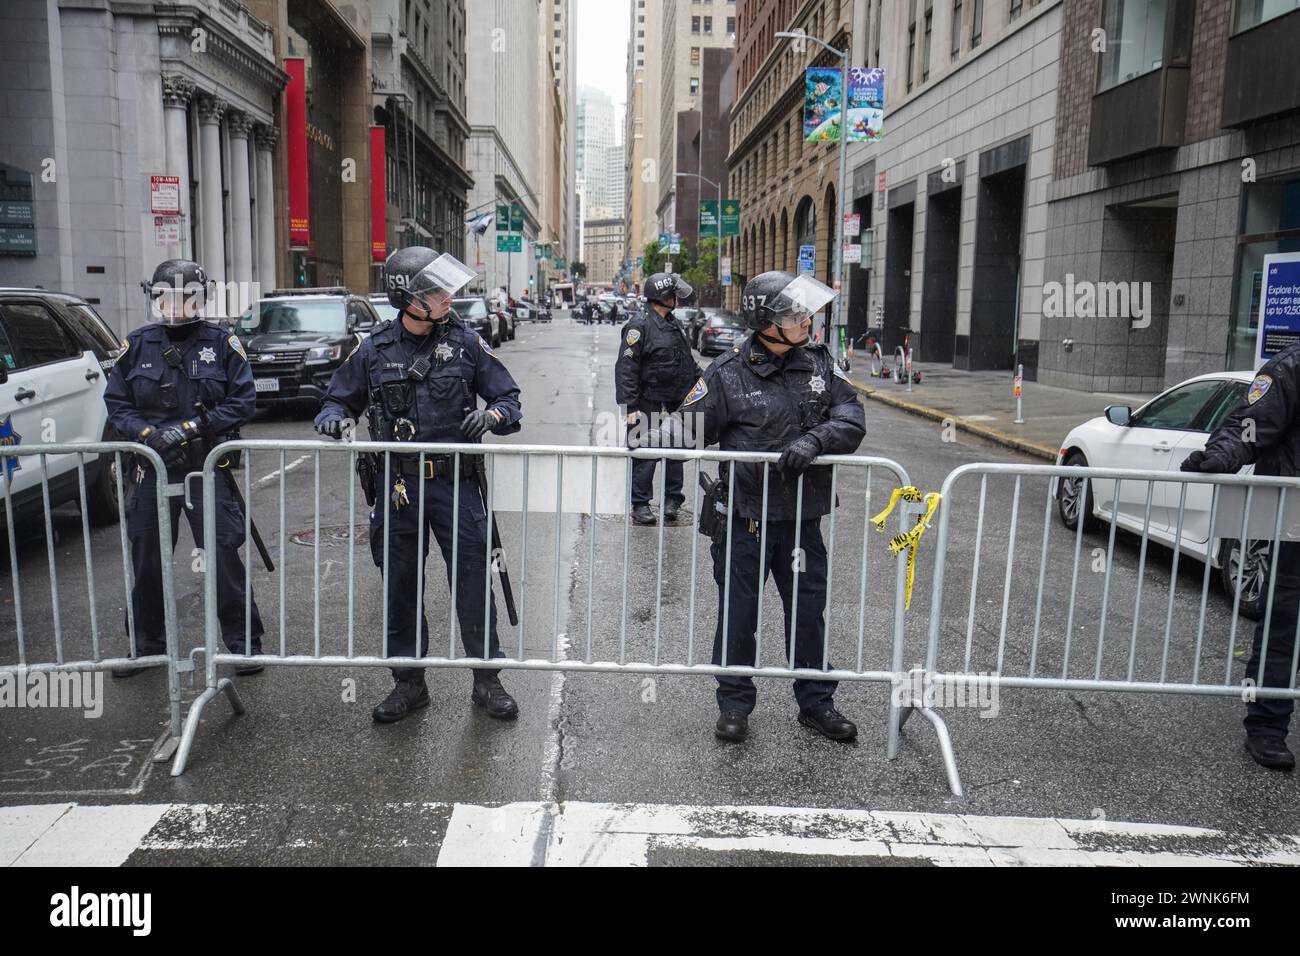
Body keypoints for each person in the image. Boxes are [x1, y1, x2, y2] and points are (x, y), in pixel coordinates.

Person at [314, 247, 523, 724]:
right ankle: (409, 684)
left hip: (456, 484)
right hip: (398, 487)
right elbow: (336, 399)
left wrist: (491, 415)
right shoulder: (372, 349)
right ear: (407, 299)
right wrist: (334, 419)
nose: (447, 297)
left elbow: (509, 399)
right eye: (434, 291)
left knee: (472, 581)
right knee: (401, 586)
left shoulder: (467, 343)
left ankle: (487, 680)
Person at [671, 270, 865, 743]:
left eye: (804, 311)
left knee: (807, 612)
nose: (805, 320)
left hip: (802, 520)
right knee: (739, 614)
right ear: (765, 320)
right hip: (744, 519)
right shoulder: (726, 373)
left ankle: (817, 704)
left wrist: (816, 439)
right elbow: (688, 429)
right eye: (794, 313)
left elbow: (852, 418)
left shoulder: (820, 365)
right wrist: (643, 437)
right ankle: (734, 705)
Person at [104, 258, 264, 677]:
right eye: (166, 298)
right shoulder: (136, 344)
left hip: (204, 468)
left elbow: (242, 402)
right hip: (152, 469)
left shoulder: (222, 344)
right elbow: (117, 405)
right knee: (147, 559)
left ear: (200, 299)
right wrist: (147, 435)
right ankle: (146, 646)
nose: (174, 307)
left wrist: (191, 429)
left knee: (221, 557)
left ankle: (244, 645)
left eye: (184, 298)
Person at [1182, 345, 1300, 771]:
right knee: (1284, 621)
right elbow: (1251, 423)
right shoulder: (1293, 365)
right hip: (1295, 519)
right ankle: (1267, 727)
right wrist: (1221, 456)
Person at [614, 272, 702, 525]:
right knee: (644, 453)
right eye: (674, 295)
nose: (678, 299)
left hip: (676, 401)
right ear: (663, 297)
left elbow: (687, 361)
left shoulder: (674, 324)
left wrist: (708, 382)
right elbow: (626, 368)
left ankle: (673, 500)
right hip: (647, 402)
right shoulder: (638, 326)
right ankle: (640, 504)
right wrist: (629, 405)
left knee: (676, 451)